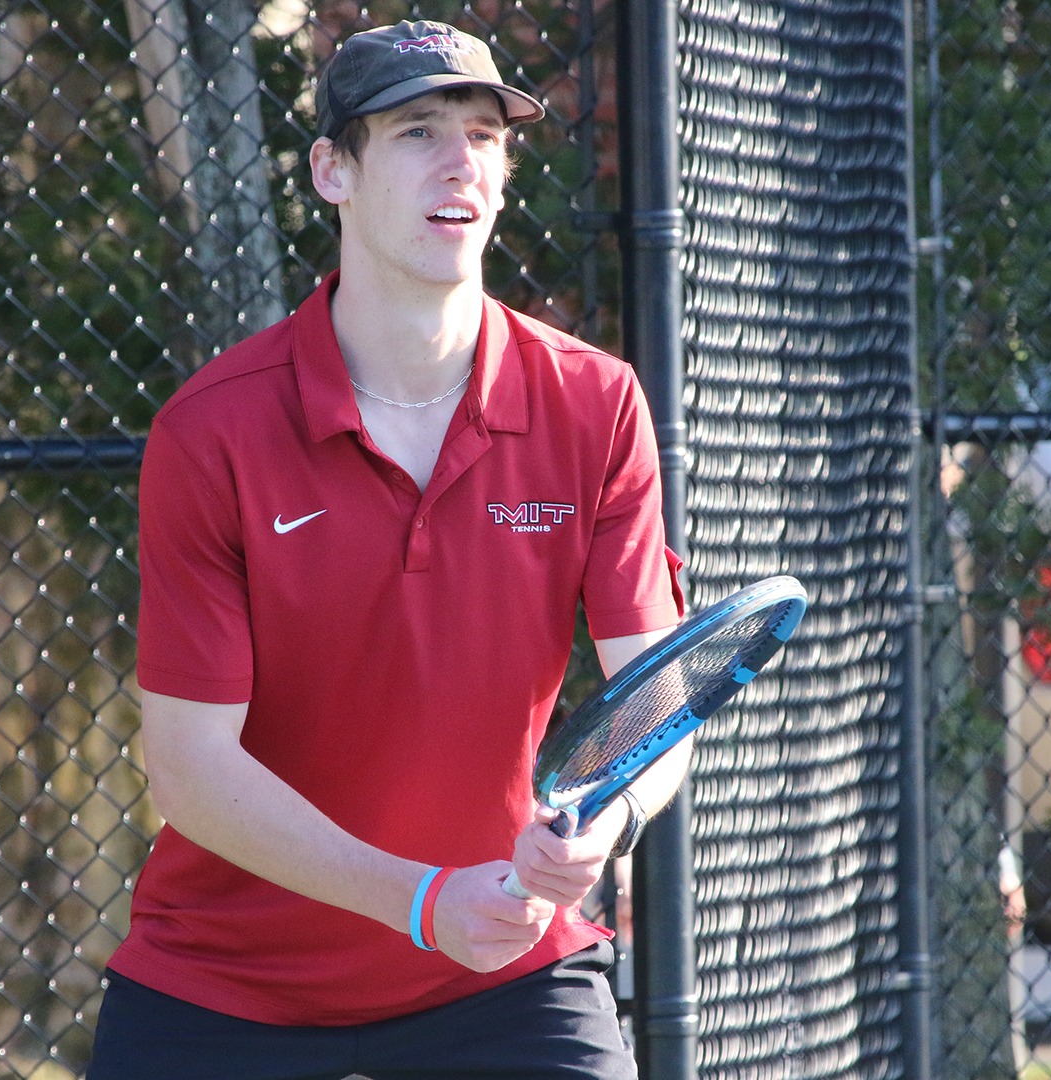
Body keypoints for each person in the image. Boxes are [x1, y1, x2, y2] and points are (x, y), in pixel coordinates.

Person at [87, 19, 688, 1080]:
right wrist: (419, 901)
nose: (460, 161)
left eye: (484, 135)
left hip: (504, 968)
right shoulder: (212, 430)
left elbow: (657, 699)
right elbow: (188, 771)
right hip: (227, 984)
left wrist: (614, 816)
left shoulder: (595, 404)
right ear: (333, 171)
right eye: (416, 131)